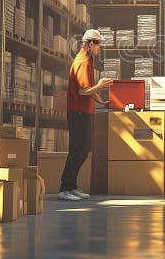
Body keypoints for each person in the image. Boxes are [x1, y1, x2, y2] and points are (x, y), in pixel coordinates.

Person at [59, 29, 114, 201]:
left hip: (84, 111)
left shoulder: (88, 60)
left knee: (83, 149)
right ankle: (64, 188)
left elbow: (89, 90)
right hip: (78, 112)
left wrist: (102, 102)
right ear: (90, 44)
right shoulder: (83, 62)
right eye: (98, 45)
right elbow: (84, 91)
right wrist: (101, 85)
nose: (99, 49)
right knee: (77, 149)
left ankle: (72, 186)